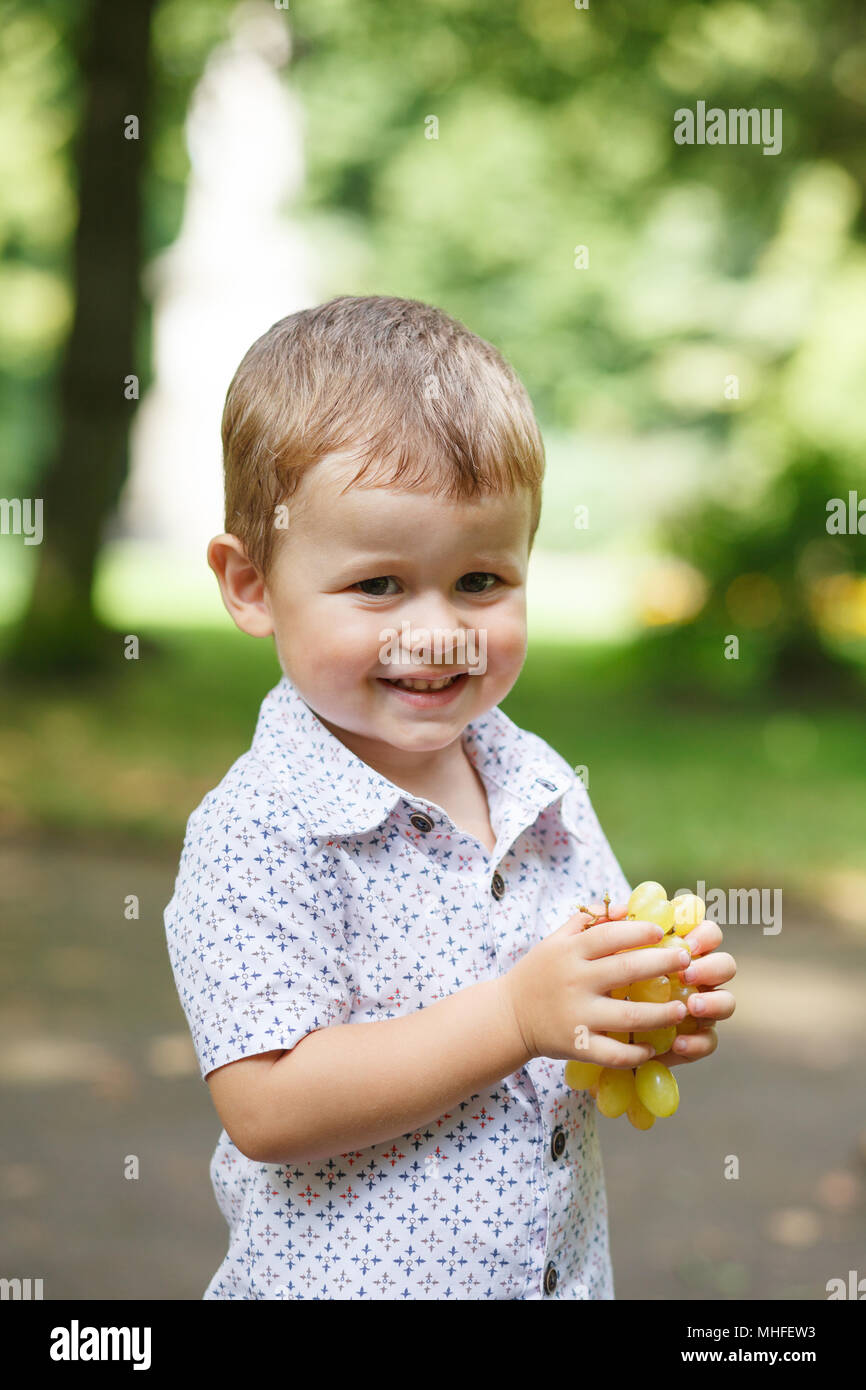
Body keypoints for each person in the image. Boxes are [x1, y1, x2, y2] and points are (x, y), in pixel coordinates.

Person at [163, 294, 736, 1300]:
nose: (435, 632)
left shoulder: (540, 788)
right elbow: (266, 1105)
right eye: (378, 586)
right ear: (250, 583)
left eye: (479, 580)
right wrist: (516, 1013)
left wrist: (638, 1003)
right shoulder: (257, 830)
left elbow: (574, 1005)